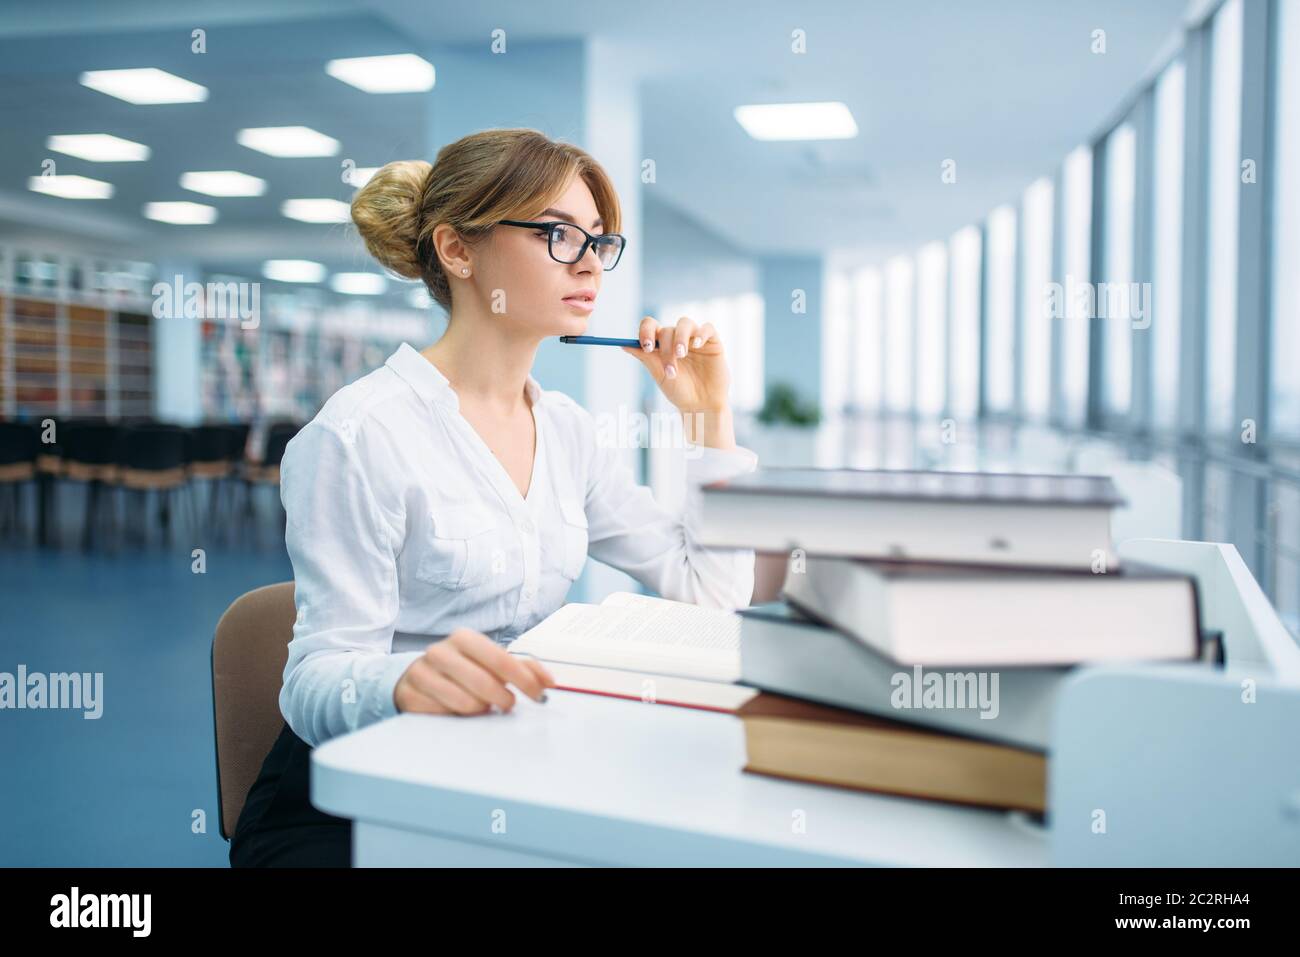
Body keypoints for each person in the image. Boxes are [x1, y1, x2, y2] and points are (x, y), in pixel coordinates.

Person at [230, 127, 760, 866]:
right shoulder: (358, 434)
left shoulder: (570, 433)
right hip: (351, 799)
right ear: (458, 250)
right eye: (558, 234)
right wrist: (404, 680)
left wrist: (708, 419)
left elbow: (711, 591)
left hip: (511, 768)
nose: (590, 264)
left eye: (599, 241)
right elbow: (313, 680)